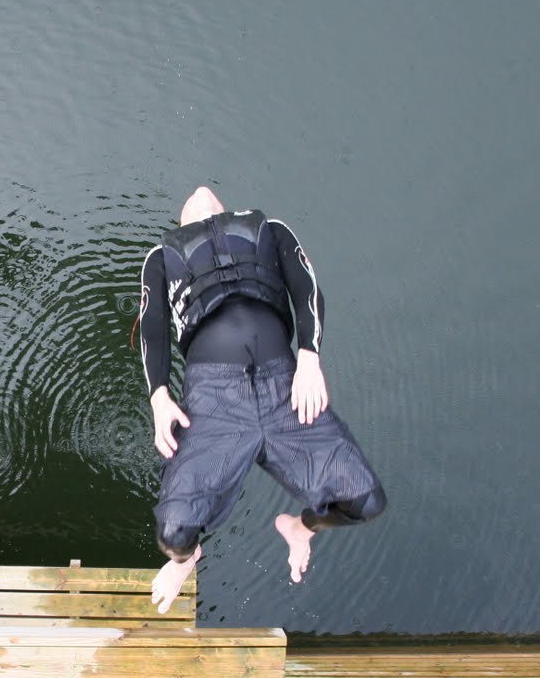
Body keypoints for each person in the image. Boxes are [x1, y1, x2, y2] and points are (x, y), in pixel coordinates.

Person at [138, 186, 386, 613]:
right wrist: (159, 395)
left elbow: (307, 287)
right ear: (180, 225)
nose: (200, 193)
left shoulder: (269, 230)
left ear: (227, 209)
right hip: (214, 399)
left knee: (365, 501)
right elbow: (152, 328)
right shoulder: (162, 258)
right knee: (173, 532)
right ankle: (186, 559)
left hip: (286, 389)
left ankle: (301, 528)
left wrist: (309, 354)